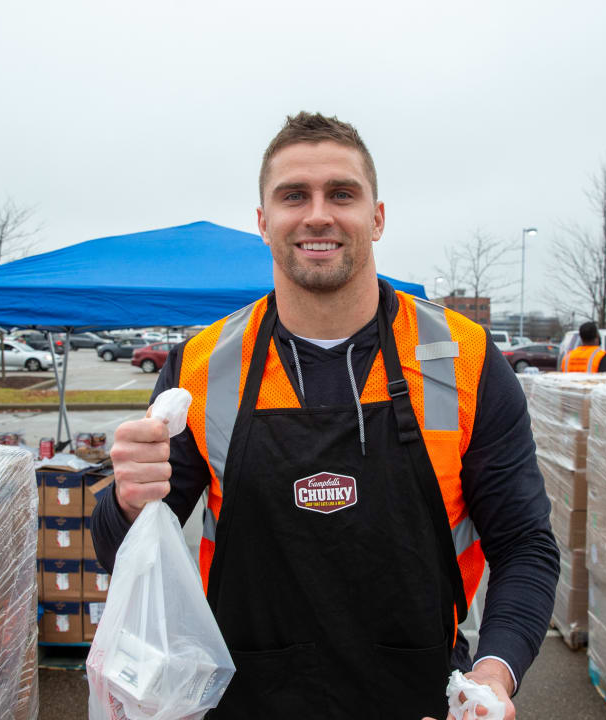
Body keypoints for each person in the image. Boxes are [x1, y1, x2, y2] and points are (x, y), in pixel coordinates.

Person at [91, 112, 559, 719]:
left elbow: (524, 544)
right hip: (245, 704)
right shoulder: (202, 367)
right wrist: (128, 499)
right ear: (264, 222)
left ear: (378, 217)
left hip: (422, 700)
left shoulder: (462, 361)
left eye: (342, 193)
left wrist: (494, 674)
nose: (317, 214)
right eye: (293, 196)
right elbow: (124, 554)